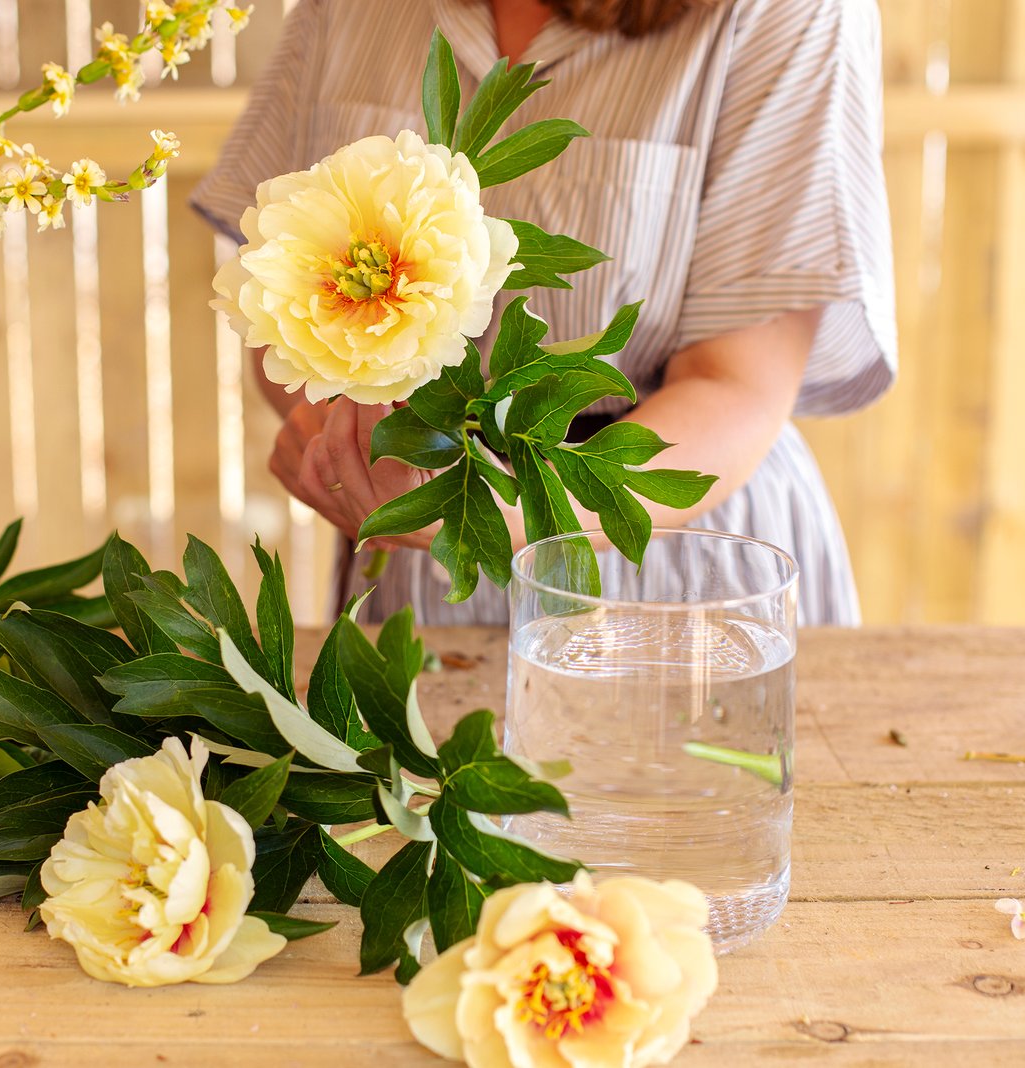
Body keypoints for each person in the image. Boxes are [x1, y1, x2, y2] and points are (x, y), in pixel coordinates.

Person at [190, 0, 896, 626]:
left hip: (678, 579)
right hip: (410, 578)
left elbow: (734, 385)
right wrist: (341, 445)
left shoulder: (790, 11)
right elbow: (277, 286)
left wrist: (485, 517)